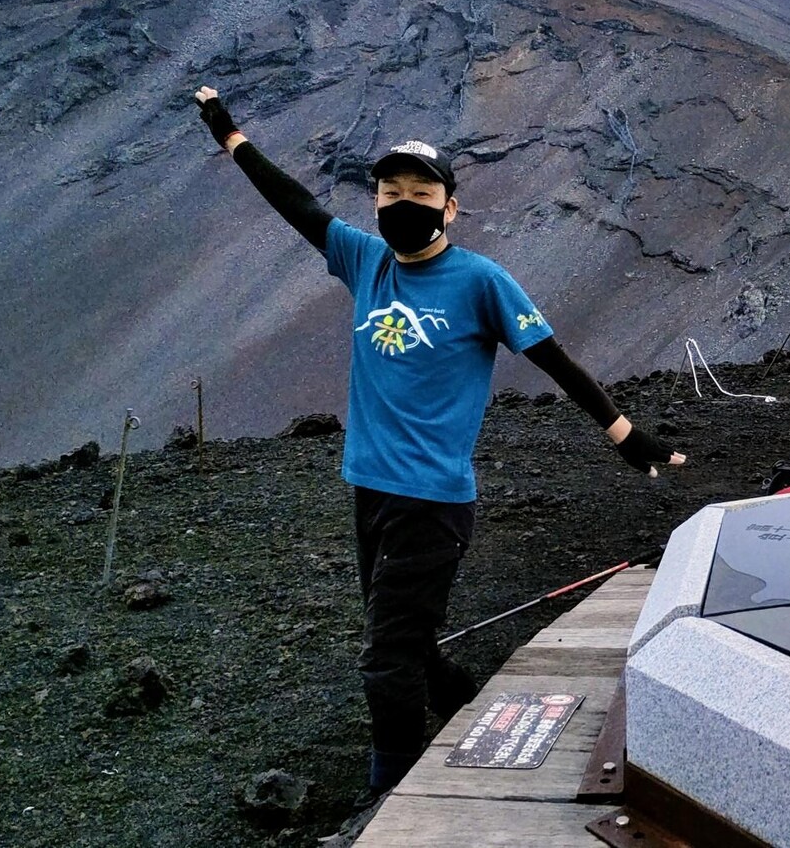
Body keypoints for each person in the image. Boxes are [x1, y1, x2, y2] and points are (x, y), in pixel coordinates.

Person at [190, 85, 685, 808]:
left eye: (422, 191)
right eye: (391, 191)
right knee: (404, 635)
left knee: (385, 657)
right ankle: (460, 697)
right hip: (369, 486)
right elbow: (294, 204)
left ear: (450, 206)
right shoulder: (365, 262)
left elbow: (554, 359)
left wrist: (627, 437)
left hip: (433, 500)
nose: (404, 202)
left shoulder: (481, 280)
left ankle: (389, 790)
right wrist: (229, 133)